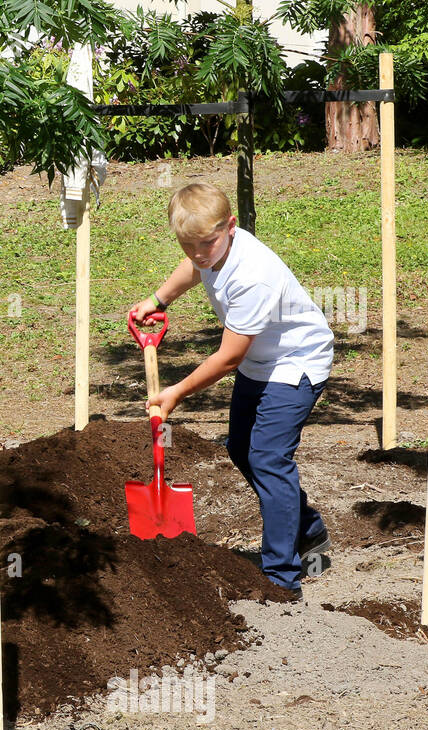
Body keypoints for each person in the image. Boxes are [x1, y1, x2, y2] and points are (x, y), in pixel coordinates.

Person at [130, 182, 334, 597]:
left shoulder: (252, 276)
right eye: (188, 245)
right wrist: (159, 298)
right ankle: (308, 529)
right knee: (241, 447)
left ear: (231, 227)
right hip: (263, 360)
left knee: (267, 458)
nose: (199, 253)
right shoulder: (208, 251)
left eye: (207, 243)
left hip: (296, 363)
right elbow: (194, 269)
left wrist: (175, 393)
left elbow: (227, 359)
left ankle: (281, 576)